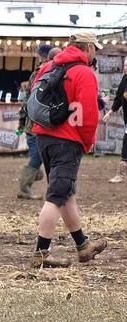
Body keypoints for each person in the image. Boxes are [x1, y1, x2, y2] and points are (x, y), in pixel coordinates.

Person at [28, 32, 109, 267]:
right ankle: (41, 253)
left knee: (65, 193)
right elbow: (89, 114)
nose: (95, 52)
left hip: (44, 137)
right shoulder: (83, 72)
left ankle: (83, 245)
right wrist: (87, 141)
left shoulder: (49, 67)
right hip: (68, 140)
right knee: (56, 196)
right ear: (86, 48)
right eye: (95, 47)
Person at [18, 45, 58, 198]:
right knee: (38, 157)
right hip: (37, 122)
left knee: (39, 156)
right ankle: (24, 187)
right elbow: (31, 97)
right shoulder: (46, 71)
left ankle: (32, 174)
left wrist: (22, 118)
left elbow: (27, 97)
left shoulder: (40, 71)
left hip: (34, 121)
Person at [109, 69, 127, 183]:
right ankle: (120, 174)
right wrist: (110, 112)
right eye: (124, 65)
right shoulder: (124, 79)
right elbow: (119, 98)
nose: (125, 67)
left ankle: (120, 174)